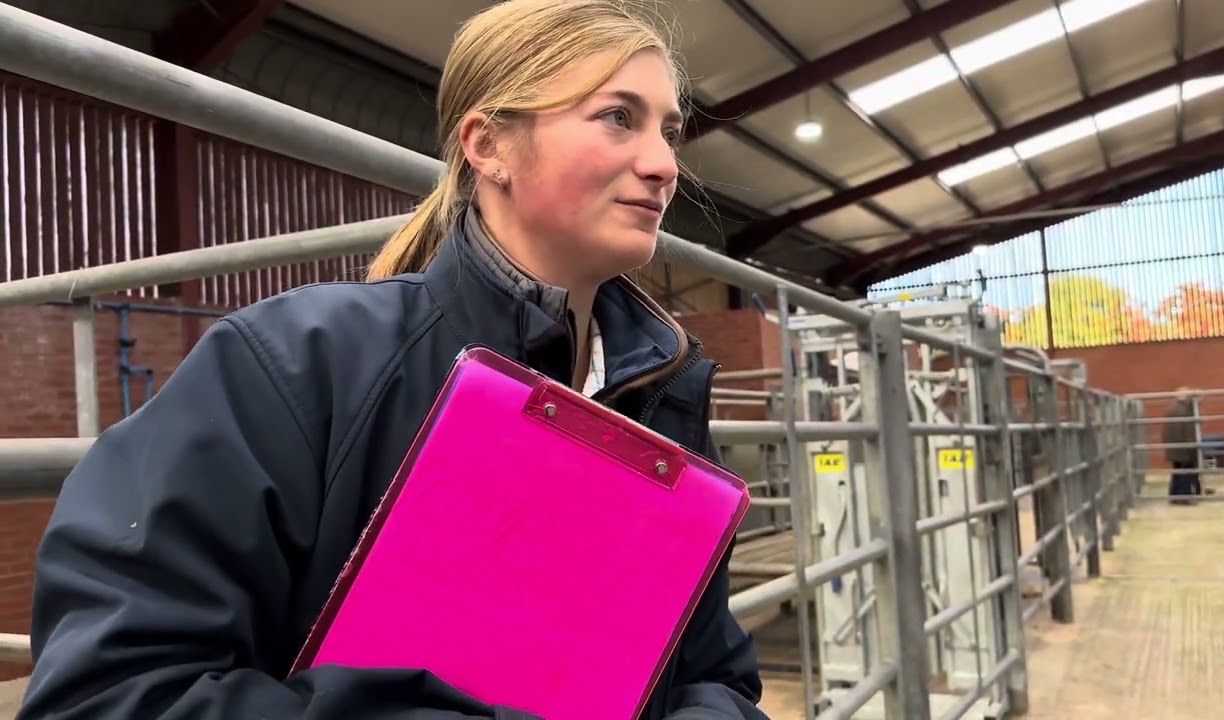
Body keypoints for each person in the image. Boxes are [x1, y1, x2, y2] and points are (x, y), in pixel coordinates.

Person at [17, 1, 768, 718]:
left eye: (668, 129)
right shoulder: (298, 362)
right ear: (489, 145)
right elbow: (108, 692)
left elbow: (711, 672)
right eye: (618, 118)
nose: (664, 163)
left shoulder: (662, 393)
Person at [1162, 387, 1202, 504]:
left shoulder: (1171, 409)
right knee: (1186, 472)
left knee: (1177, 472)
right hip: (1185, 448)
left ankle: (1174, 496)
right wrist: (1193, 448)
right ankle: (1184, 497)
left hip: (1174, 447)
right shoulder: (1186, 412)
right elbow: (1190, 432)